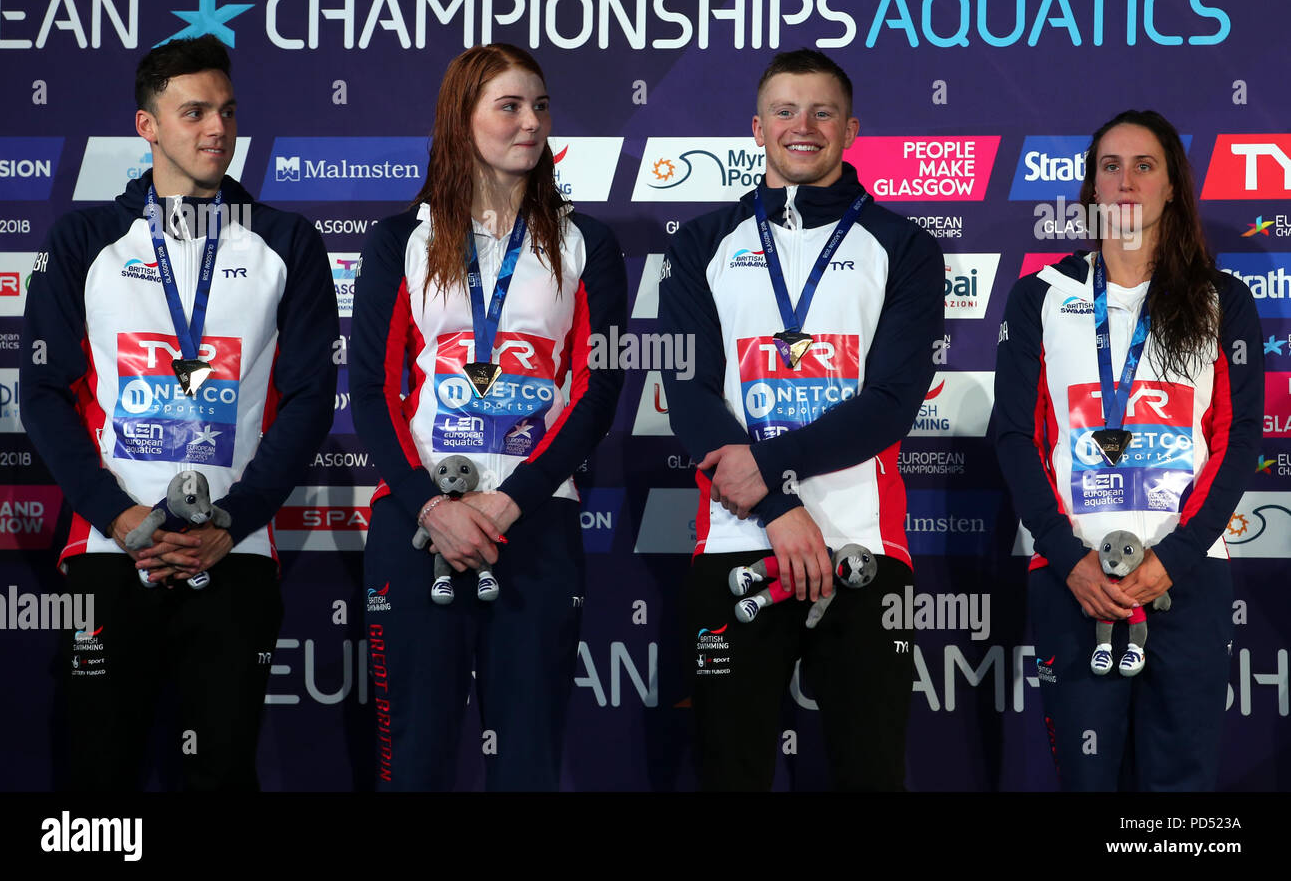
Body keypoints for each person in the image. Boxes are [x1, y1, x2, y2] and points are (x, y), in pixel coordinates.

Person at [20, 35, 338, 790]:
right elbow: (42, 394)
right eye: (192, 112)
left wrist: (233, 519)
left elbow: (309, 399)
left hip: (235, 556)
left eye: (226, 112)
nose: (216, 129)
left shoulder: (286, 242)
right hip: (107, 555)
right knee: (95, 777)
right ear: (147, 126)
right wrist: (118, 518)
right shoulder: (84, 240)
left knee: (221, 775)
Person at [657, 49, 943, 790]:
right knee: (729, 768)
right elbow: (688, 395)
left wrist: (772, 477)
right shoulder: (698, 244)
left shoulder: (906, 247)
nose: (803, 126)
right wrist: (780, 507)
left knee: (870, 771)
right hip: (734, 542)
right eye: (785, 110)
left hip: (864, 547)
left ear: (852, 130)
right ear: (757, 128)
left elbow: (890, 404)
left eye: (822, 112)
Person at [350, 43, 626, 791]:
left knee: (529, 759)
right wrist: (433, 506)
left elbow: (598, 391)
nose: (530, 122)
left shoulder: (586, 243)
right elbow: (371, 391)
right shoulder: (398, 241)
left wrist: (509, 503)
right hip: (417, 522)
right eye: (509, 105)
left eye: (539, 105)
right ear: (460, 118)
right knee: (414, 759)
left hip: (535, 520)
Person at [991, 109, 1263, 790]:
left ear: (1173, 186)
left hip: (1188, 578)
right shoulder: (1041, 297)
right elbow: (1017, 437)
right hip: (1072, 578)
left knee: (1180, 792)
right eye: (1109, 166)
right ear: (1089, 186)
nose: (1126, 182)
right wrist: (1067, 556)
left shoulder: (1221, 300)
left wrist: (1173, 557)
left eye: (1145, 166)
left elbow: (1236, 440)